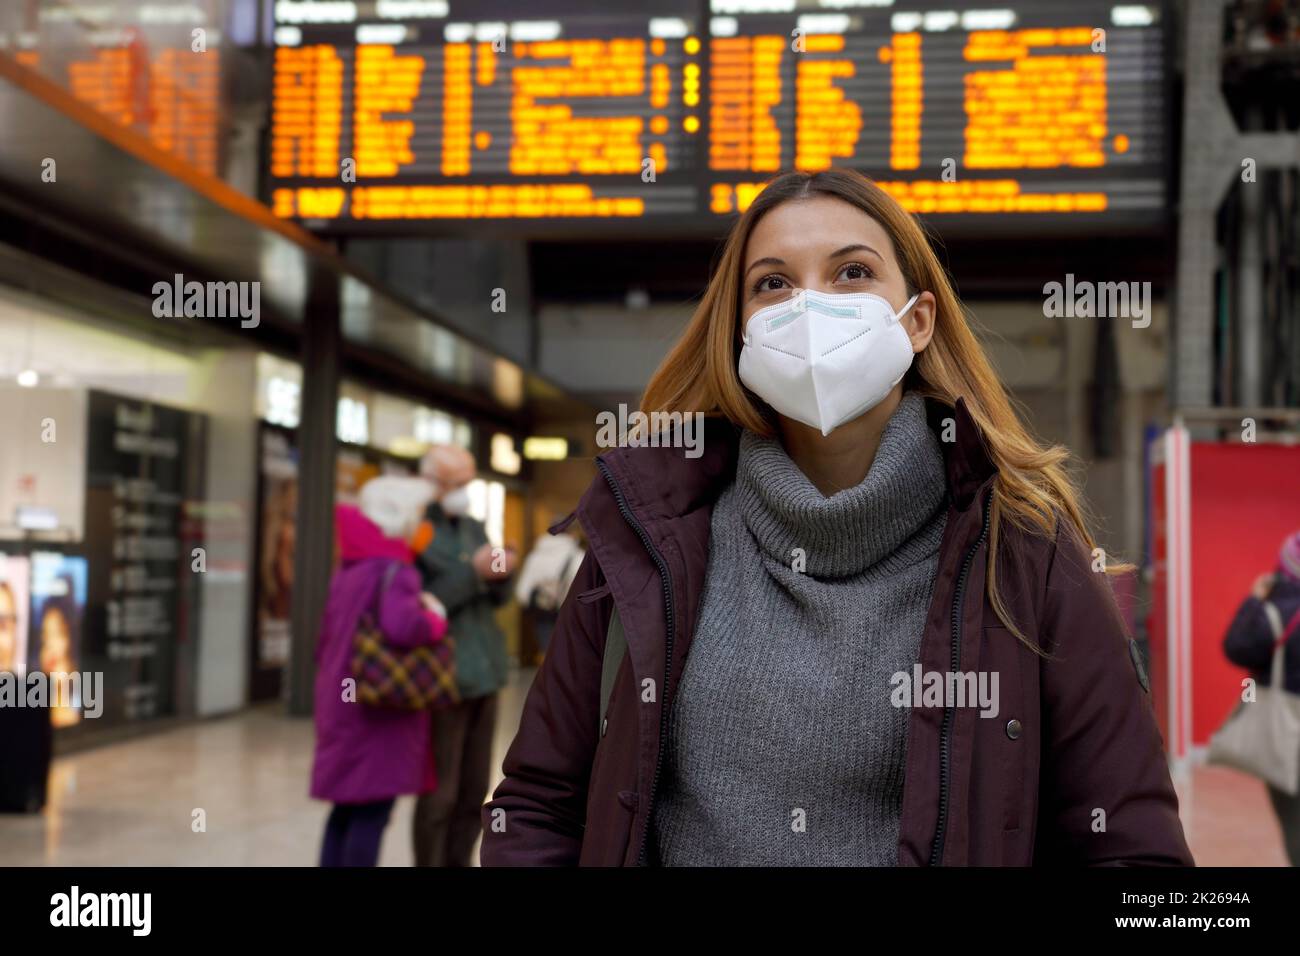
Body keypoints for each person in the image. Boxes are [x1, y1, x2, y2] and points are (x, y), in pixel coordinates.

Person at [481, 168, 1192, 867]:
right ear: (739, 334)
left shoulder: (1023, 551)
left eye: (852, 273)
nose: (809, 307)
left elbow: (1131, 850)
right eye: (773, 283)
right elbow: (540, 805)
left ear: (916, 321)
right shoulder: (647, 536)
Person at [311, 475, 448, 868]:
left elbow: (324, 638)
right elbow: (404, 627)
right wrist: (435, 620)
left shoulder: (351, 567)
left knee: (345, 809)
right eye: (419, 515)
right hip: (377, 711)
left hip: (341, 699)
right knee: (372, 812)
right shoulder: (396, 571)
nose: (423, 525)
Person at [412, 444, 516, 866]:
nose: (465, 492)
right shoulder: (417, 530)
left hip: (484, 673)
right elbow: (423, 600)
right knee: (439, 795)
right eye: (458, 484)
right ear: (433, 484)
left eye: (469, 482)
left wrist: (501, 571)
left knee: (475, 792)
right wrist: (473, 572)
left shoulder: (474, 526)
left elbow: (498, 597)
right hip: (442, 676)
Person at [1223, 530, 1300, 865]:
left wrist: (1254, 600)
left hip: (1285, 734)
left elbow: (1237, 647)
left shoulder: (1275, 612)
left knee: (1295, 822)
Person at [514, 529, 584, 657]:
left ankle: (546, 674)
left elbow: (522, 591)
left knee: (546, 651)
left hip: (542, 611)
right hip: (569, 612)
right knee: (567, 652)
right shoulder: (578, 556)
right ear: (571, 534)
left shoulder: (536, 556)